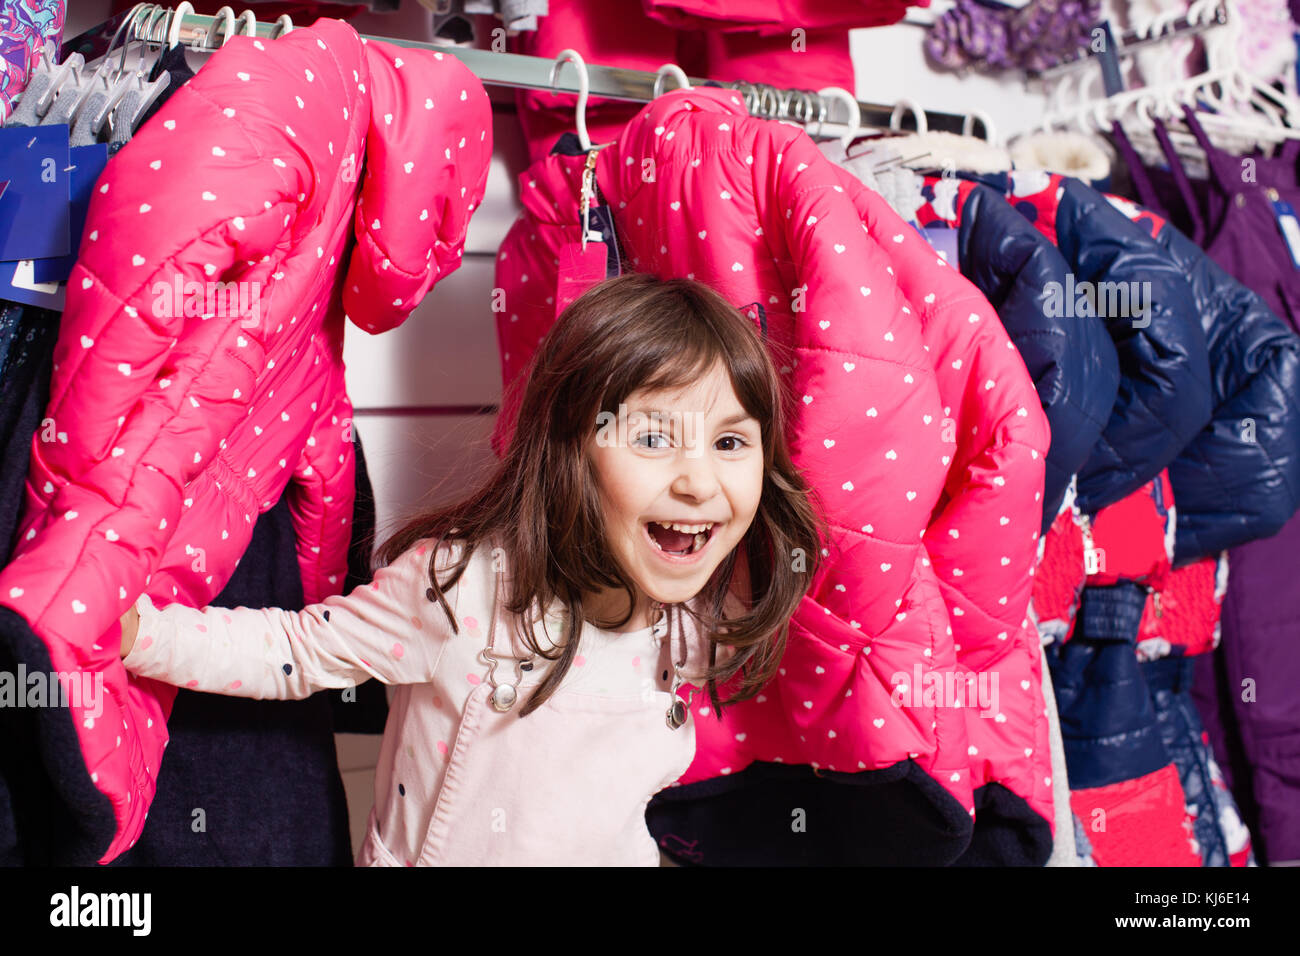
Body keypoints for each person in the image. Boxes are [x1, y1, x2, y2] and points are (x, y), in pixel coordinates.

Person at [116, 273, 830, 866]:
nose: (700, 482)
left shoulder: (696, 602)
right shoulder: (464, 587)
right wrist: (137, 631)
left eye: (731, 441)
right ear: (569, 451)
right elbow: (298, 650)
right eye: (652, 437)